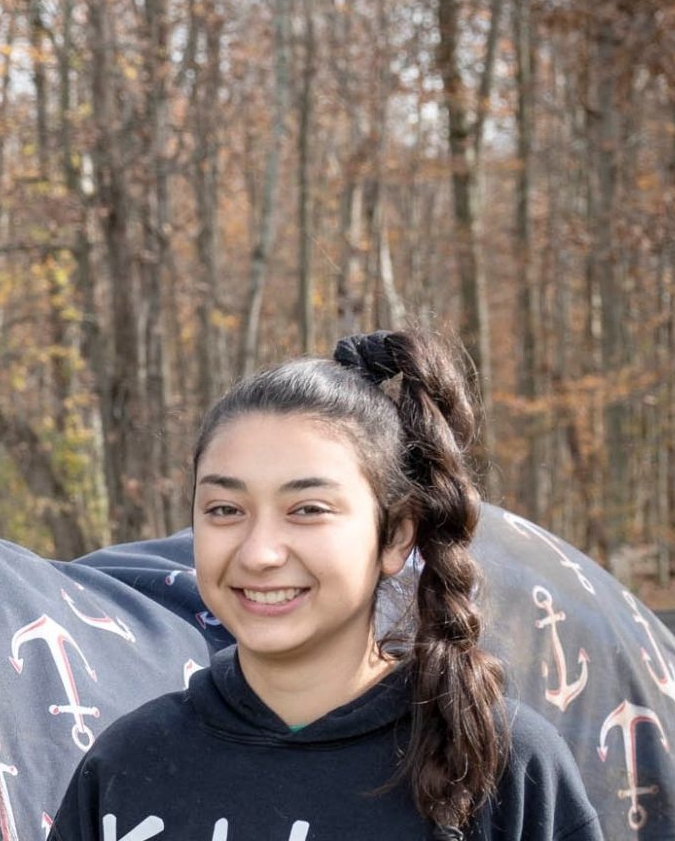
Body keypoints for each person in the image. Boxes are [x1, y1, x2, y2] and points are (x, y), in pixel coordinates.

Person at [47, 330, 603, 841]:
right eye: (224, 509)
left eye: (307, 509)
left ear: (395, 536)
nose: (259, 553)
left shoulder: (501, 765)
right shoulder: (127, 765)